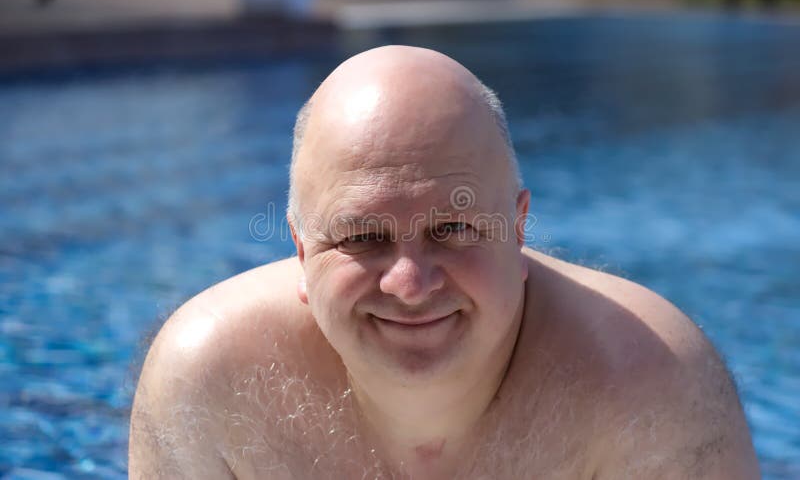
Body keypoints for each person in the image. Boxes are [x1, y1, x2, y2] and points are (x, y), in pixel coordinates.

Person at [129, 45, 760, 479]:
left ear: (517, 232)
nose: (410, 283)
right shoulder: (209, 385)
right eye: (363, 235)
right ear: (300, 250)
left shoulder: (651, 386)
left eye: (453, 229)